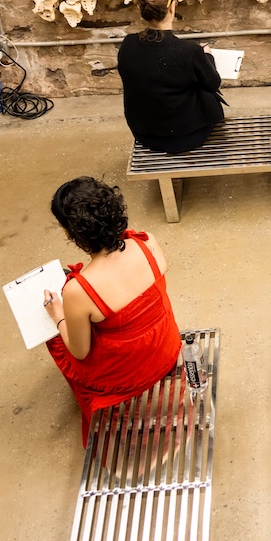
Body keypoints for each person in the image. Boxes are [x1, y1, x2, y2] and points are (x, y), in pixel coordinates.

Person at [42, 177, 182, 445]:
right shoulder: (147, 242)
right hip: (166, 349)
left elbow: (80, 352)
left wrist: (58, 314)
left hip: (127, 379)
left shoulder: (78, 290)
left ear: (71, 234)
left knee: (57, 337)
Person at [117, 0, 225, 153]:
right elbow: (213, 83)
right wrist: (207, 58)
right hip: (185, 137)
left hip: (144, 134)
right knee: (206, 90)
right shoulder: (189, 51)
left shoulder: (128, 44)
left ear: (140, 8)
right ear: (172, 8)